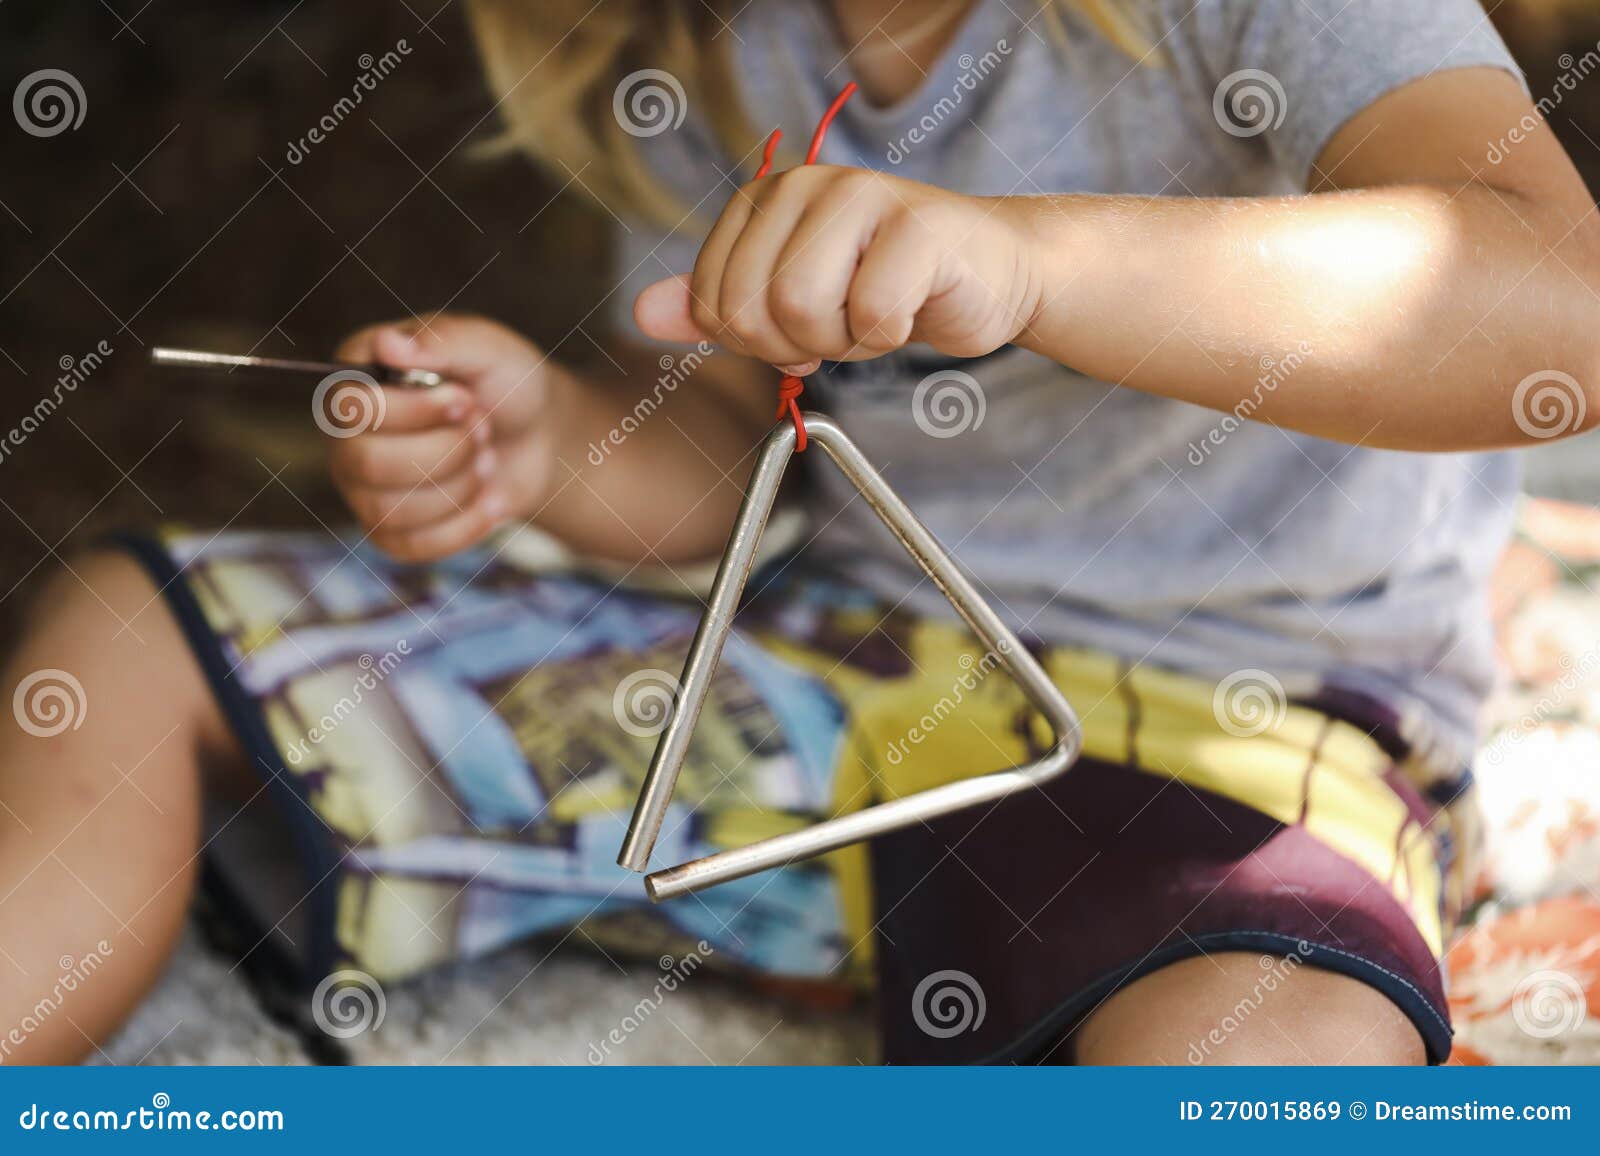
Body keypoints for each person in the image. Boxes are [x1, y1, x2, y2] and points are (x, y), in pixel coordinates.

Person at [4, 0, 1596, 1065]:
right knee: (130, 637)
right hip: (827, 676)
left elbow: (1558, 316)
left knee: (1269, 1043)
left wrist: (1030, 263)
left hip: (1237, 713)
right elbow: (729, 447)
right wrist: (553, 444)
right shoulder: (711, 47)